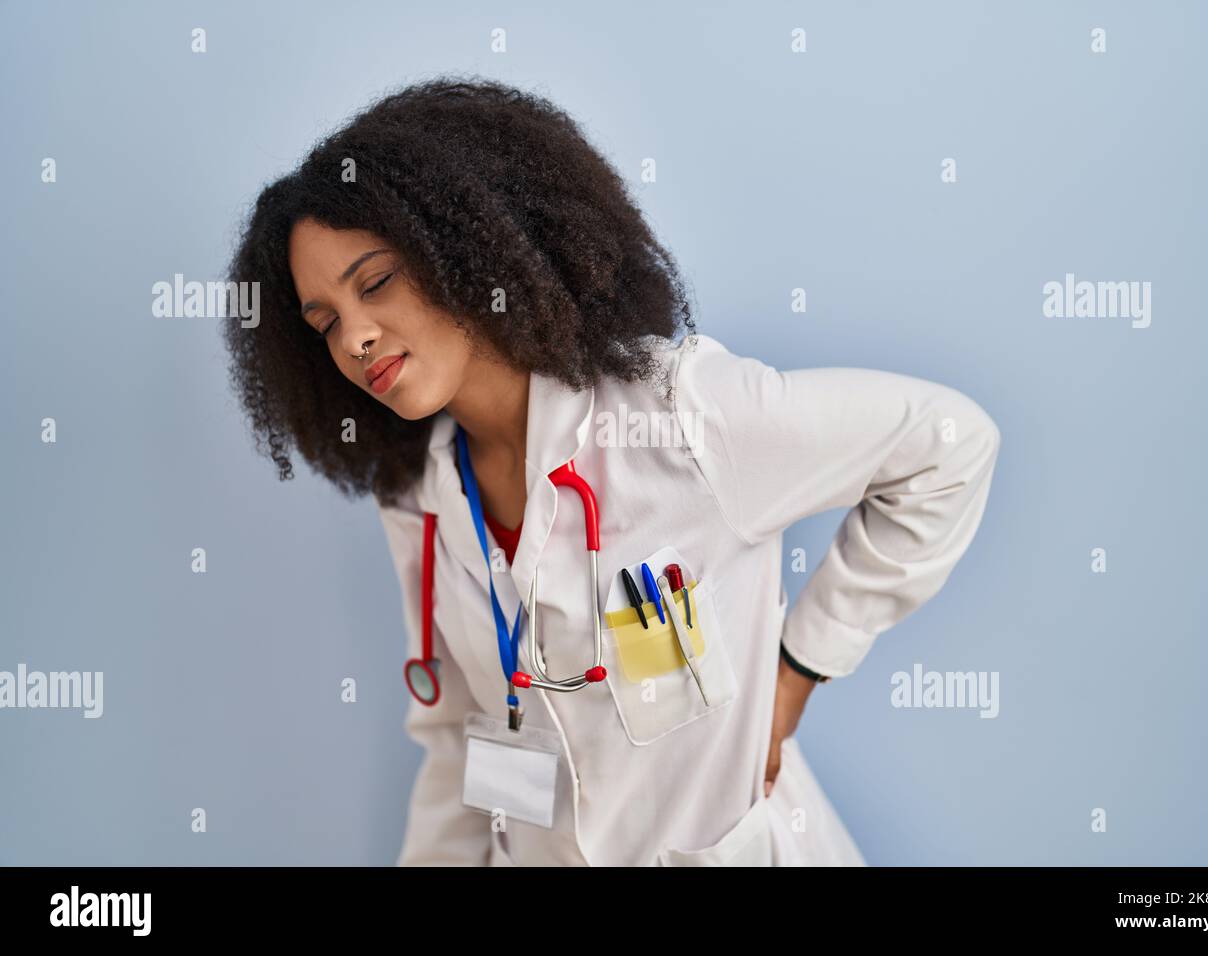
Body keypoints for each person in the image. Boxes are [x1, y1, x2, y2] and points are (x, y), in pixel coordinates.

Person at [221, 76, 1001, 866]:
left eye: (376, 283)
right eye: (324, 324)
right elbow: (458, 746)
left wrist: (798, 672)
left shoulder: (680, 417)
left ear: (461, 249)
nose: (354, 337)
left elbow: (950, 442)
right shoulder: (415, 498)